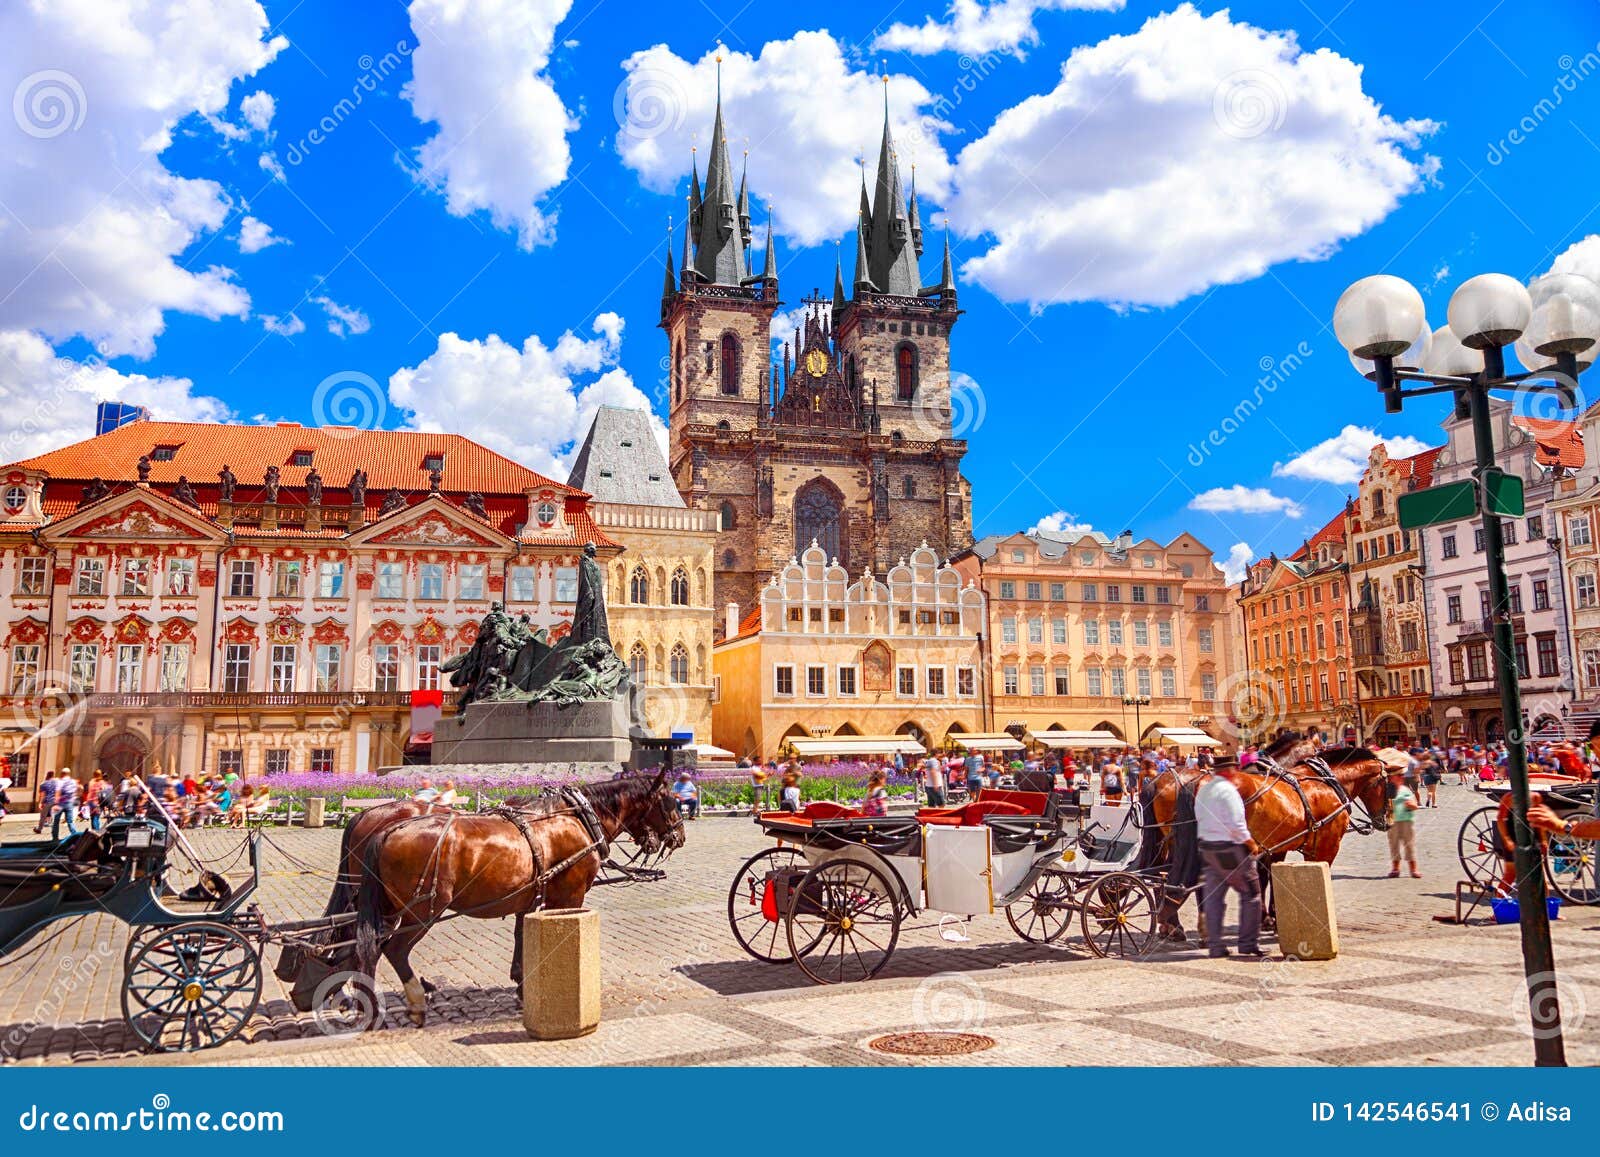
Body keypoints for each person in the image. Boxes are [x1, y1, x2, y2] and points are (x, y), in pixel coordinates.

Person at [1194, 763, 1263, 959]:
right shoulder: (1228, 791)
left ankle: (1215, 946)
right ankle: (1248, 944)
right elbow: (1236, 824)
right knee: (1251, 894)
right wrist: (1250, 843)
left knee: (1213, 898)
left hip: (1207, 847)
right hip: (1229, 850)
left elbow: (1198, 817)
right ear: (1230, 771)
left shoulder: (1204, 789)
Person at [1385, 770, 1421, 878]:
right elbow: (1383, 806)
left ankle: (1413, 869)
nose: (1401, 777)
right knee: (1394, 845)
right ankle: (1395, 869)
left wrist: (1411, 805)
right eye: (1398, 775)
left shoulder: (1406, 790)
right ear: (1391, 778)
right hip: (1392, 821)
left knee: (1409, 845)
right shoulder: (1387, 791)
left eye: (1401, 776)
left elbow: (1415, 806)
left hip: (1407, 821)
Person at [52, 770, 79, 840]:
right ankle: (75, 835)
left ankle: (55, 837)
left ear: (62, 773)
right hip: (69, 803)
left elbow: (57, 792)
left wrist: (55, 803)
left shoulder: (60, 781)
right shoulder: (73, 781)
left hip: (60, 804)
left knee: (56, 821)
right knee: (70, 821)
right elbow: (75, 792)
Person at [33, 770, 58, 835]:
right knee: (54, 815)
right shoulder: (57, 782)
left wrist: (40, 803)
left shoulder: (43, 784)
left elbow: (42, 795)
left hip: (47, 801)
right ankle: (54, 829)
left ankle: (39, 829)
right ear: (53, 775)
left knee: (43, 816)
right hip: (55, 801)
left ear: (47, 775)